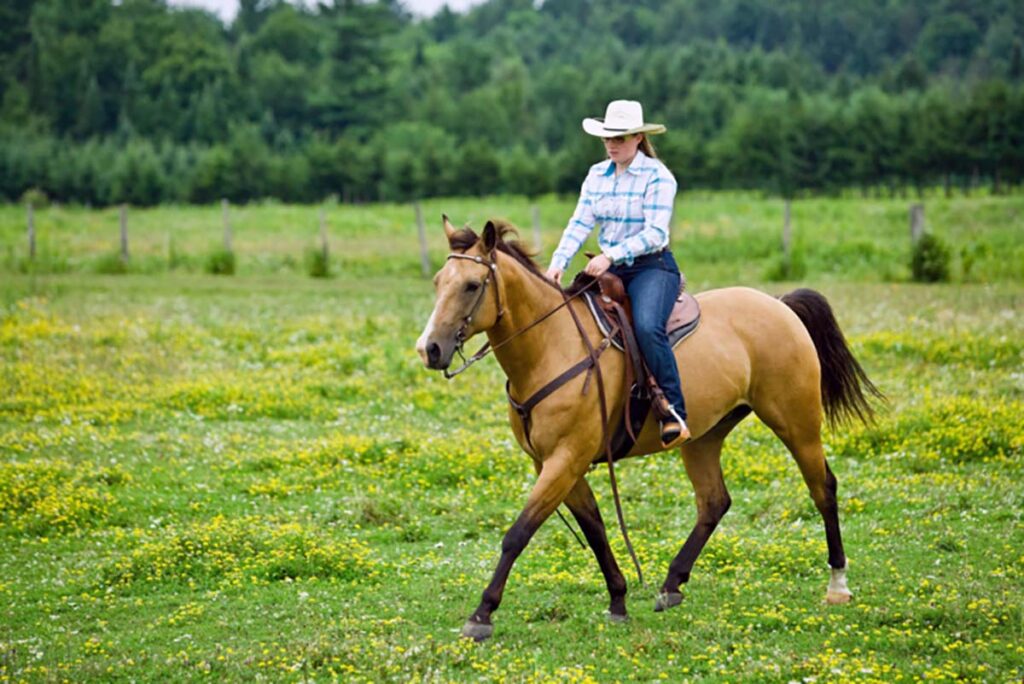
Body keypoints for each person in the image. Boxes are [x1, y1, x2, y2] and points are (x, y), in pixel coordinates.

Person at [545, 99, 689, 446]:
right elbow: (579, 222)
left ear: (639, 138)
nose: (612, 144)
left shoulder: (658, 177)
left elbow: (656, 233)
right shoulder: (597, 174)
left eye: (621, 137)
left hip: (651, 268)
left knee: (646, 326)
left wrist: (611, 255)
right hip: (608, 269)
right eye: (608, 137)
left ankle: (672, 410)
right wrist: (558, 262)